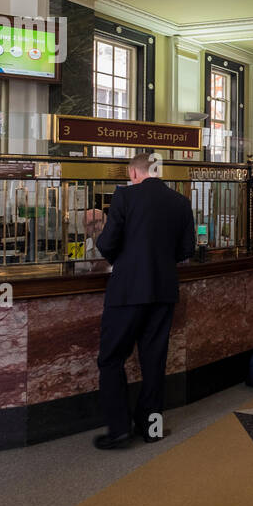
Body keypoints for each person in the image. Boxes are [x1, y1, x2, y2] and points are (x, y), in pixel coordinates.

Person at [93, 152, 196, 450]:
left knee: (111, 358)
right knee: (154, 360)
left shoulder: (125, 198)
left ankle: (119, 430)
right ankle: (151, 427)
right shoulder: (180, 202)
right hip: (164, 290)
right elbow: (186, 249)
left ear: (133, 173)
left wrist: (124, 260)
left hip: (127, 291)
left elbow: (107, 243)